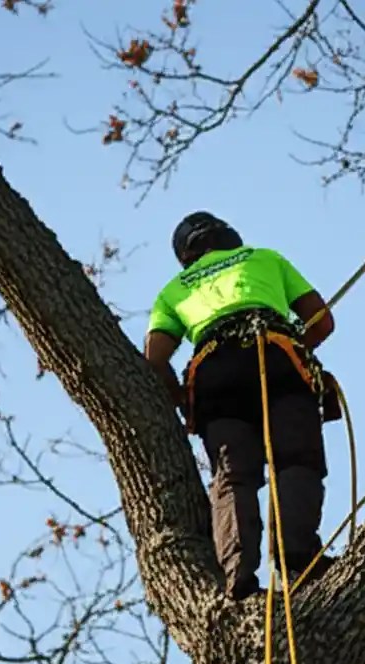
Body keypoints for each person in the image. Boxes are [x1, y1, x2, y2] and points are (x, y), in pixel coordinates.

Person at [143, 210, 337, 600]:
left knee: (233, 476)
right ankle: (299, 559)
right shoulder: (264, 258)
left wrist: (179, 397)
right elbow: (320, 321)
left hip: (214, 374)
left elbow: (154, 358)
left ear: (186, 255)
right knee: (296, 459)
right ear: (231, 237)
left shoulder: (173, 289)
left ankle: (237, 576)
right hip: (275, 357)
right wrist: (295, 342)